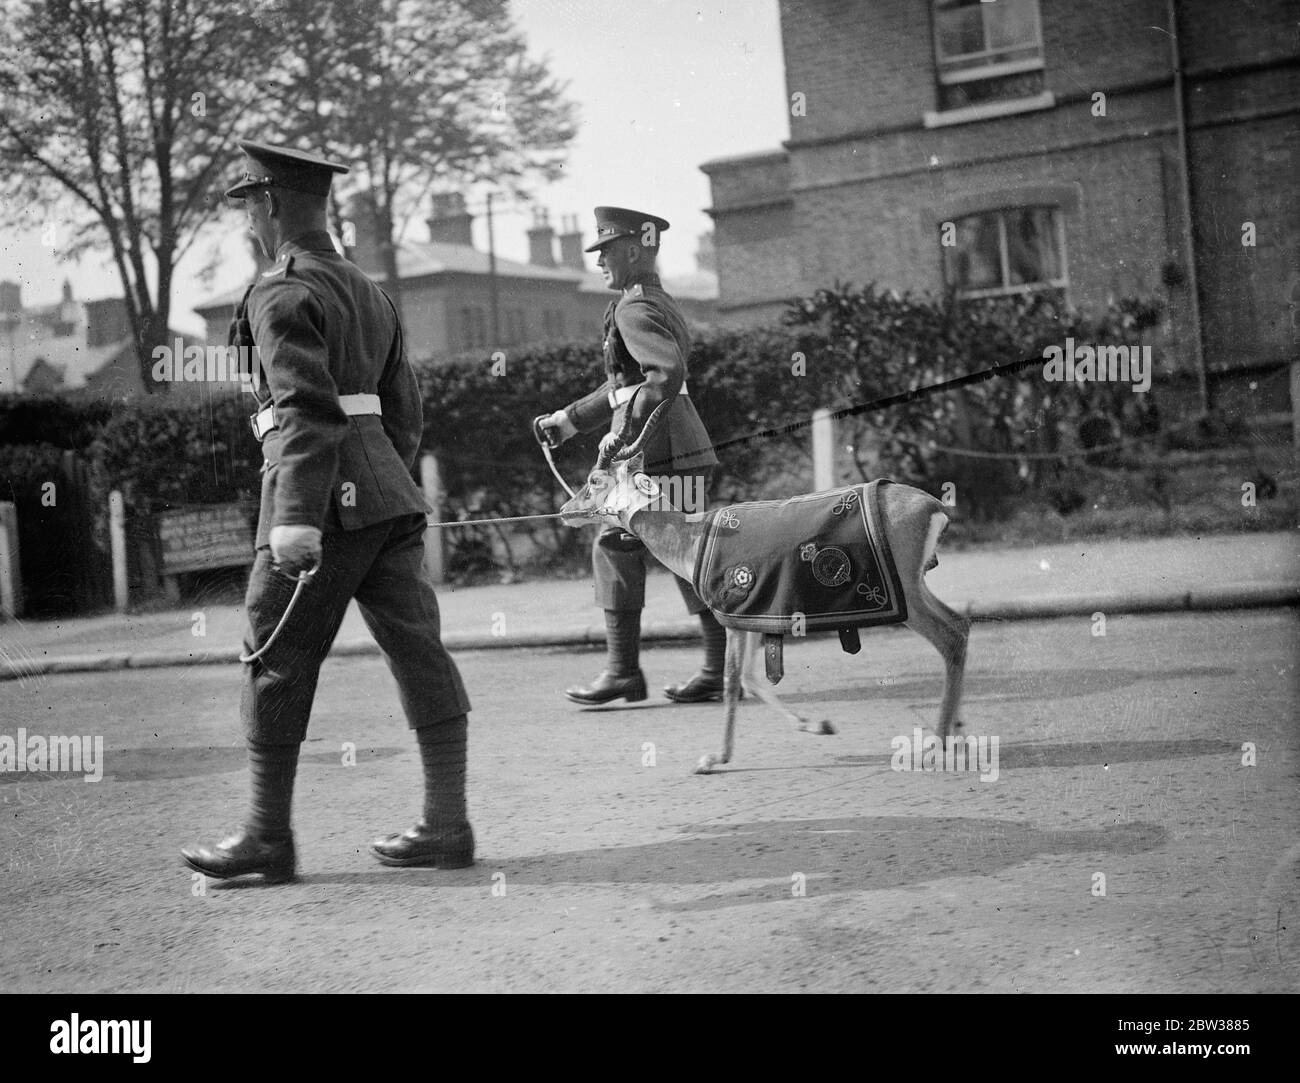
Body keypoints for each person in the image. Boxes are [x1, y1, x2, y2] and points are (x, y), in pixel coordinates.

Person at [181, 140, 473, 883]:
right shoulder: (370, 292)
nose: (248, 219)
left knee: (272, 652)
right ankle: (447, 824)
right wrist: (388, 488)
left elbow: (305, 411)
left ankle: (265, 838)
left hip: (315, 503)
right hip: (386, 501)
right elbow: (405, 411)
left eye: (249, 204)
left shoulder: (280, 291)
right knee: (419, 651)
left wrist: (298, 517)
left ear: (271, 205)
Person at [538, 206, 727, 707]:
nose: (599, 261)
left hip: (656, 451)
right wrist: (571, 419)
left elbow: (663, 376)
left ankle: (627, 673)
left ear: (633, 250)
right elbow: (624, 383)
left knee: (625, 547)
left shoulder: (632, 308)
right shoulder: (649, 301)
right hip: (677, 448)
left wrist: (623, 435)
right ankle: (714, 670)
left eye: (606, 251)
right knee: (680, 549)